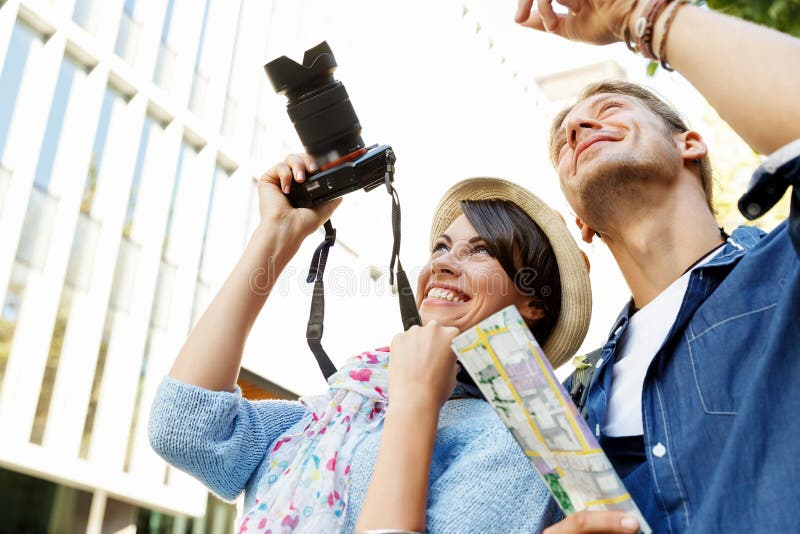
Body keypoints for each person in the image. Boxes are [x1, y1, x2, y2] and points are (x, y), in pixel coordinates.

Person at [148, 152, 593, 533]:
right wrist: (276, 234)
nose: (442, 264)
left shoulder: (520, 443)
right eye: (441, 247)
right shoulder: (343, 408)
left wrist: (416, 400)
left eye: (480, 251)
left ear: (534, 304)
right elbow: (185, 430)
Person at [512, 1, 800, 533]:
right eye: (565, 141)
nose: (578, 127)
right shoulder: (568, 401)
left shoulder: (787, 267)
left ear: (689, 143)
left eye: (611, 109)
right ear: (582, 223)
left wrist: (640, 15)